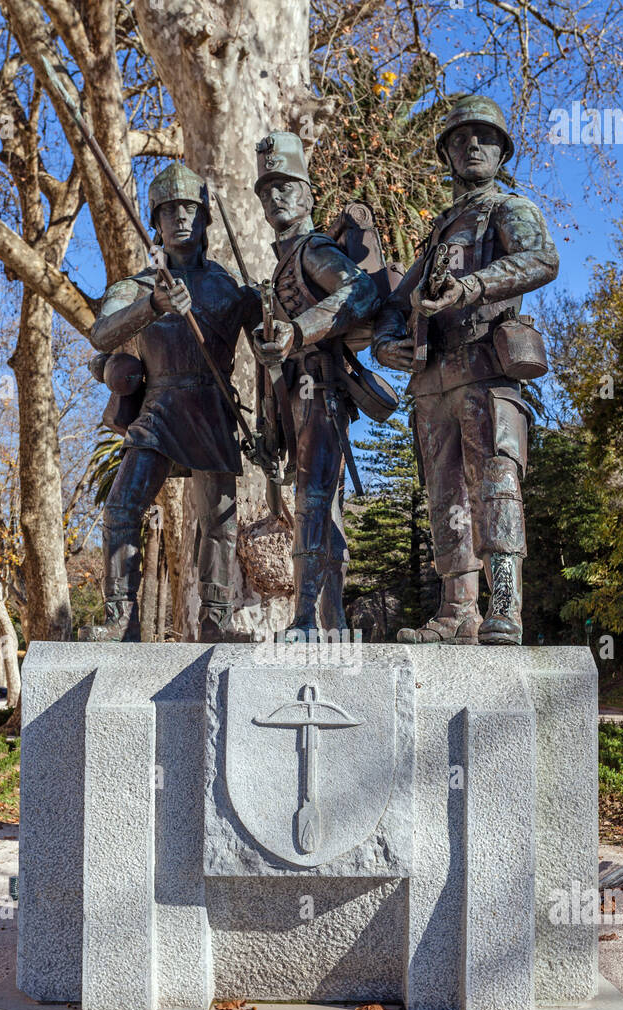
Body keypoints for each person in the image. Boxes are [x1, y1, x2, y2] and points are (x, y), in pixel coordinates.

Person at [373, 95, 559, 644]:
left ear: (502, 151)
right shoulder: (437, 234)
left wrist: (472, 287)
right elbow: (394, 302)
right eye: (460, 139)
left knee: (496, 487)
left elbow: (543, 259)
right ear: (447, 154)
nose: (471, 146)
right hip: (432, 383)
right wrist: (387, 346)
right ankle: (458, 611)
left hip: (484, 369)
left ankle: (505, 605)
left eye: (484, 137)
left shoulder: (508, 208)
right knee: (444, 495)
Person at [90, 164, 259, 641]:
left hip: (212, 406)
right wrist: (154, 307)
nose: (181, 219)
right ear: (156, 224)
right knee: (122, 507)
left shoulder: (227, 285)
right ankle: (121, 616)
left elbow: (269, 348)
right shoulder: (137, 286)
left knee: (220, 522)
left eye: (190, 210)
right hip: (160, 408)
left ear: (205, 220)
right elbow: (100, 334)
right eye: (170, 211)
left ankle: (216, 619)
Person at [251, 131, 380, 639]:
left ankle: (307, 620)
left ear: (308, 195)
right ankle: (332, 620)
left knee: (313, 500)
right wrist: (267, 426)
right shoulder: (278, 266)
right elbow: (271, 359)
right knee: (320, 506)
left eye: (285, 187)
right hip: (293, 398)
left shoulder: (313, 250)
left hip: (321, 392)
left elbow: (361, 290)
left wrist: (299, 330)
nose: (275, 198)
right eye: (266, 191)